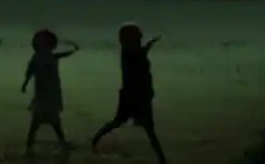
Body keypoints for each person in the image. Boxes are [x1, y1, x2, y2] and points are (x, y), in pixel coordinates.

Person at [91, 23, 167, 163]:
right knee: (122, 122)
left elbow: (142, 52)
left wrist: (151, 43)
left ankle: (162, 159)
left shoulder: (133, 52)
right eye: (137, 37)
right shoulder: (128, 54)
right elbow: (138, 65)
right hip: (132, 96)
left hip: (140, 95)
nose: (140, 39)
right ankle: (95, 139)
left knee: (146, 128)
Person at [21, 28, 79, 154]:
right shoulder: (38, 58)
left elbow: (64, 54)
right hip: (43, 94)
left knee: (49, 122)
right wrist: (24, 84)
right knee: (42, 122)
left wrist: (74, 48)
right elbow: (29, 72)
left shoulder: (50, 56)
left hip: (51, 93)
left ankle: (31, 145)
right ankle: (31, 144)